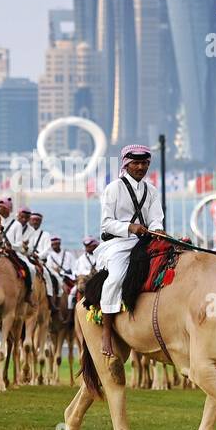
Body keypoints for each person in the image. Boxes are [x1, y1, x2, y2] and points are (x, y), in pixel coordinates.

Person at [94, 144, 164, 358]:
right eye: (136, 163)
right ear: (126, 164)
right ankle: (106, 332)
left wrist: (158, 230)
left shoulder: (151, 190)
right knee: (115, 278)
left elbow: (155, 218)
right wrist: (130, 227)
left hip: (145, 241)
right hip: (117, 244)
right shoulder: (113, 188)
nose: (140, 167)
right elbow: (106, 223)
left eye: (144, 163)